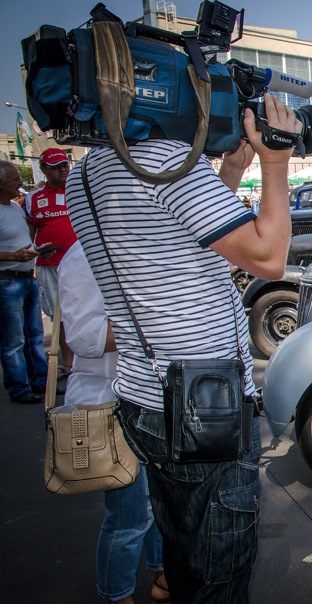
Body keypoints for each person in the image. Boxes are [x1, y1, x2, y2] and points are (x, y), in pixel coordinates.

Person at [66, 93, 300, 602]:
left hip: (145, 393)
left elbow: (177, 240)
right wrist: (276, 162)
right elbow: (267, 256)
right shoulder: (168, 160)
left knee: (182, 546)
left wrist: (231, 171)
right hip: (204, 402)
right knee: (219, 566)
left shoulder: (86, 173)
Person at [58, 242, 168, 604]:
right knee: (129, 514)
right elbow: (83, 338)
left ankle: (163, 575)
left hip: (149, 397)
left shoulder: (130, 245)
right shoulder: (82, 256)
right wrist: (160, 320)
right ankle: (117, 593)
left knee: (161, 501)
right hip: (108, 402)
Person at [24, 147, 78, 375]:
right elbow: (28, 233)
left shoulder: (80, 189)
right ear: (44, 169)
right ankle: (68, 363)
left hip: (82, 265)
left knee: (91, 310)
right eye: (56, 167)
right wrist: (34, 251)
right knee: (61, 317)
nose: (63, 170)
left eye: (65, 164)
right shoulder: (33, 198)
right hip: (51, 264)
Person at [0, 161, 47, 403]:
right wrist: (14, 256)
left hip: (26, 278)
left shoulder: (16, 208)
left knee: (34, 335)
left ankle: (40, 381)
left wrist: (36, 251)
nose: (20, 183)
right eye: (15, 179)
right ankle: (19, 388)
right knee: (13, 340)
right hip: (7, 282)